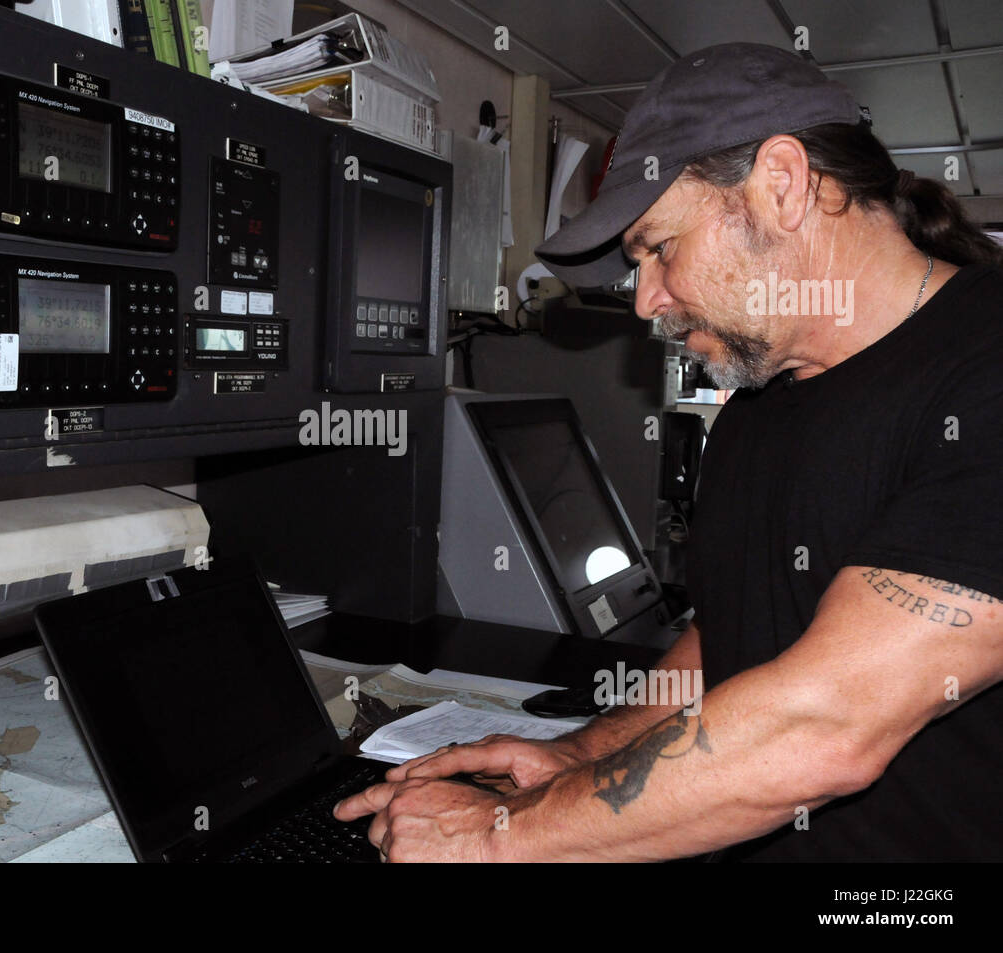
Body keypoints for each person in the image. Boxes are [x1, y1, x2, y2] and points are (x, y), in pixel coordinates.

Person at [333, 42, 1003, 862]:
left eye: (658, 247)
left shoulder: (985, 370)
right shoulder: (757, 411)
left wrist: (498, 834)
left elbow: (829, 723)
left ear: (783, 185)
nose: (648, 300)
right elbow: (729, 640)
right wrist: (584, 756)